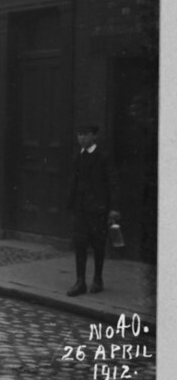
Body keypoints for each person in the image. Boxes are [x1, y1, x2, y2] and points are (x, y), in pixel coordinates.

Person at [66, 125, 121, 296]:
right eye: (79, 134)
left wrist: (114, 208)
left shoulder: (103, 157)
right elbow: (73, 182)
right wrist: (71, 204)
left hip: (98, 208)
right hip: (80, 208)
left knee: (98, 244)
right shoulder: (78, 156)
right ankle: (80, 281)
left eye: (86, 135)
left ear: (94, 136)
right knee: (79, 244)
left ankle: (98, 279)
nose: (82, 138)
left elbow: (112, 182)